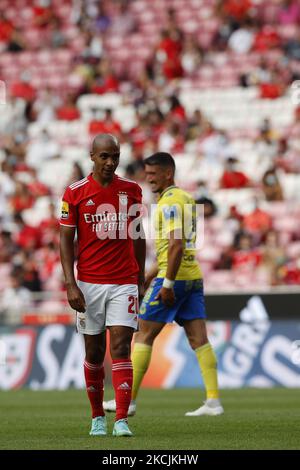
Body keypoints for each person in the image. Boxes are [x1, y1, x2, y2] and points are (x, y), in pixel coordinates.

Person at [104, 152, 223, 417]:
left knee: (143, 334)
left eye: (153, 174)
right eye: (146, 175)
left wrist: (166, 282)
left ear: (168, 173)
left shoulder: (169, 203)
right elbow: (178, 246)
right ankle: (213, 401)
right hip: (192, 277)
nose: (148, 180)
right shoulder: (187, 199)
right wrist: (151, 273)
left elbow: (176, 244)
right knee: (199, 339)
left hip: (175, 279)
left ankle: (128, 401)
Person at [59, 134, 145, 437]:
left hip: (124, 282)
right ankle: (98, 416)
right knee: (94, 353)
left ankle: (121, 419)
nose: (110, 162)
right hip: (89, 284)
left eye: (115, 156)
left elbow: (138, 236)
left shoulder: (132, 191)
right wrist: (71, 284)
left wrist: (141, 278)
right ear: (92, 156)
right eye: (104, 156)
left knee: (121, 348)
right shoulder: (74, 193)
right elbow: (65, 240)